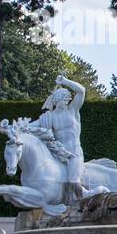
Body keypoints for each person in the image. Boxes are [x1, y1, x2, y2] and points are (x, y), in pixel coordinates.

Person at [38, 74, 87, 203]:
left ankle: (81, 205)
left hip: (74, 153)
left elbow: (82, 91)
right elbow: (34, 127)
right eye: (63, 99)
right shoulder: (50, 117)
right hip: (58, 155)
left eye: (67, 99)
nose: (66, 101)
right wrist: (20, 127)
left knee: (73, 182)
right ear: (55, 100)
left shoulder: (73, 110)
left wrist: (65, 81)